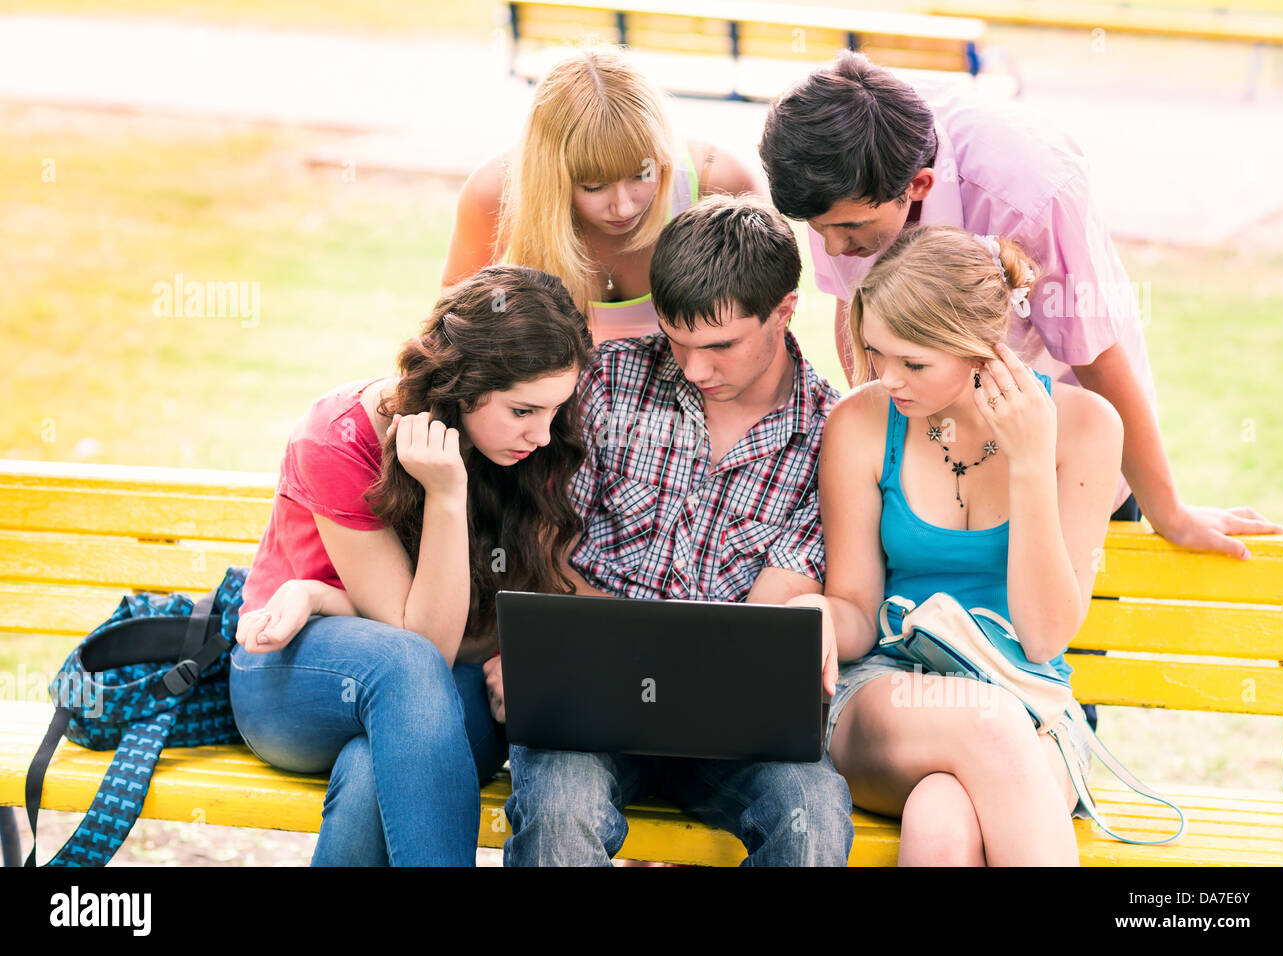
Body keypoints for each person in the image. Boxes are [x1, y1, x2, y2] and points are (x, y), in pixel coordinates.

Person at [759, 51, 1283, 558]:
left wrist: (1168, 511)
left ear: (917, 186)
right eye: (818, 229)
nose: (832, 249)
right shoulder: (836, 165)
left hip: (1056, 436)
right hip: (934, 460)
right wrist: (886, 452)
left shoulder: (1033, 186)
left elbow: (1096, 353)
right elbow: (852, 310)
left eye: (850, 228)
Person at [493, 194, 855, 867]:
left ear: (784, 310)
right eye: (677, 340)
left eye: (720, 346)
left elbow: (768, 620)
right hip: (586, 705)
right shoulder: (610, 381)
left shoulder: (828, 437)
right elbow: (547, 544)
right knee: (560, 805)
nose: (693, 369)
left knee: (812, 816)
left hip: (735, 732)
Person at [229, 265, 593, 866]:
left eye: (554, 410)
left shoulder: (533, 447)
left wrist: (325, 595)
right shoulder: (338, 438)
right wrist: (448, 495)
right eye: (523, 410)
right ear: (464, 383)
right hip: (293, 669)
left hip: (445, 686)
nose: (542, 433)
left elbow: (464, 632)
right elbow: (420, 646)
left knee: (374, 769)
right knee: (405, 668)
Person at [801, 224, 1121, 865]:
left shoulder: (1086, 427)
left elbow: (1045, 637)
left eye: (914, 363)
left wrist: (1031, 462)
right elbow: (858, 614)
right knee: (984, 723)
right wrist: (815, 615)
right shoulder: (861, 423)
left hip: (1028, 701)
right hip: (889, 694)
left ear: (983, 351)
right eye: (876, 353)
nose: (887, 378)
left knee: (941, 821)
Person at [442, 46, 760, 346]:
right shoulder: (496, 192)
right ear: (552, 176)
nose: (623, 206)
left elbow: (764, 330)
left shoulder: (718, 184)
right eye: (594, 186)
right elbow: (452, 325)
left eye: (642, 175)